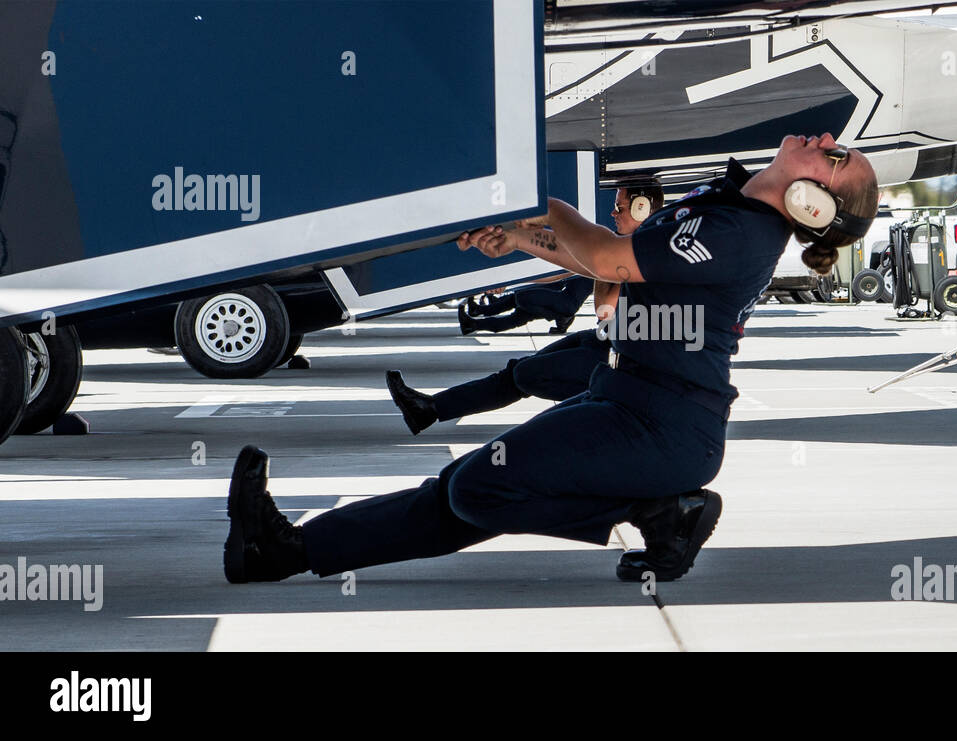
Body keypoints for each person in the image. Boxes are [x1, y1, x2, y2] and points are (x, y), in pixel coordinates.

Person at [223, 133, 878, 585]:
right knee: (469, 489)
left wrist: (535, 205)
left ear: (813, 205)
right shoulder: (727, 204)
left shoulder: (740, 234)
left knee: (479, 488)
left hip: (662, 427)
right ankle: (280, 553)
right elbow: (601, 263)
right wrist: (517, 234)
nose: (823, 140)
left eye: (835, 156)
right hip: (625, 399)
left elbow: (603, 258)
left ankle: (657, 513)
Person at [385, 184, 665, 433]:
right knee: (516, 373)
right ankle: (428, 409)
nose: (614, 213)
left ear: (643, 209)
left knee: (528, 376)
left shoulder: (647, 252)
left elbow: (605, 308)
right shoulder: (626, 248)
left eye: (621, 207)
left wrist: (597, 260)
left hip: (627, 361)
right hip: (607, 340)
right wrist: (512, 264)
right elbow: (565, 266)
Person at [457, 273, 592, 335]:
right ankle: (473, 324)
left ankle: (561, 316)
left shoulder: (592, 257)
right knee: (519, 315)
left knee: (522, 298)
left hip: (566, 303)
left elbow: (562, 276)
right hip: (562, 298)